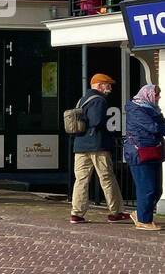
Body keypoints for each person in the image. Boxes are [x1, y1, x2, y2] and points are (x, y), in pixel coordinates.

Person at [70, 73, 130, 224]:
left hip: (80, 145)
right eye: (107, 84)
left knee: (81, 180)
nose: (109, 87)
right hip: (97, 145)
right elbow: (96, 121)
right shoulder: (99, 100)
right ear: (98, 85)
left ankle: (76, 213)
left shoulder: (82, 100)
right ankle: (116, 211)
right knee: (107, 178)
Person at [124, 83, 165, 232]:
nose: (158, 97)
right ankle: (144, 220)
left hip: (154, 151)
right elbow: (153, 127)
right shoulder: (136, 109)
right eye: (156, 95)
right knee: (146, 188)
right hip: (139, 153)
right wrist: (159, 124)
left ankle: (140, 214)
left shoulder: (152, 109)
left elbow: (159, 125)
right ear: (148, 95)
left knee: (157, 189)